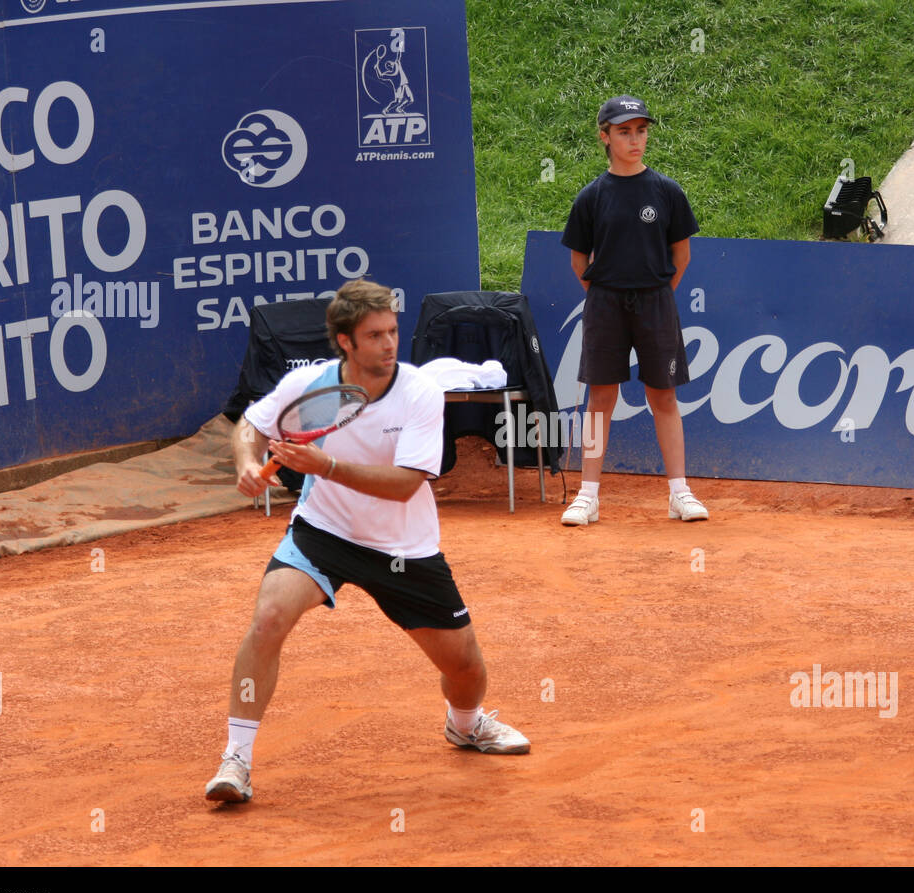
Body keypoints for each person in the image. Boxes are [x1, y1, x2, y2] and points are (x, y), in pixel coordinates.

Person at [206, 278, 529, 804]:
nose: (389, 344)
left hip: (404, 547)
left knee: (465, 667)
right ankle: (236, 759)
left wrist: (326, 465)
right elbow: (252, 423)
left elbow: (406, 485)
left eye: (393, 332)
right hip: (324, 533)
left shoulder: (419, 391)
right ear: (345, 342)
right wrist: (247, 462)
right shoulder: (310, 383)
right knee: (267, 620)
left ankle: (465, 725)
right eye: (375, 334)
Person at [559, 95, 708, 526]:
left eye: (641, 130)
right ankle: (588, 496)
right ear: (604, 136)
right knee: (599, 397)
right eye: (624, 131)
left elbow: (682, 256)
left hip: (656, 302)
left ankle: (679, 493)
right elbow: (578, 262)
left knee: (663, 395)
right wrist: (608, 292)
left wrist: (654, 292)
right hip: (604, 302)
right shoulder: (591, 197)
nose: (635, 139)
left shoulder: (667, 191)